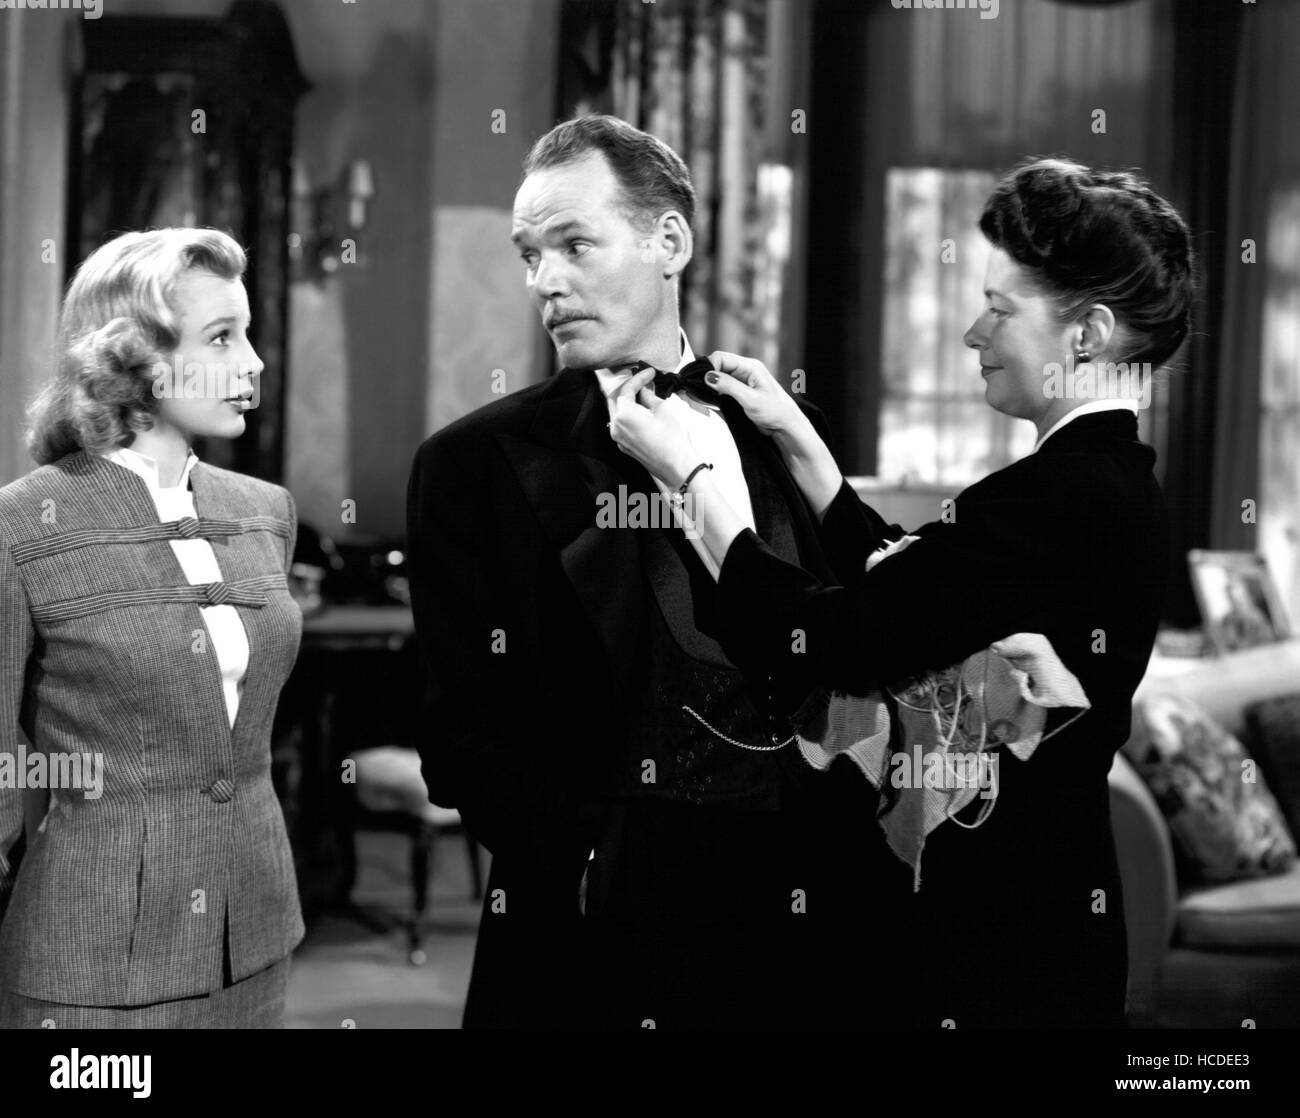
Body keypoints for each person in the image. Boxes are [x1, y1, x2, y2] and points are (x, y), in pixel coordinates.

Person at [611, 157, 1194, 1028]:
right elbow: (919, 581)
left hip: (999, 942)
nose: (972, 334)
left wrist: (693, 481)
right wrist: (804, 448)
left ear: (1089, 334)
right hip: (1028, 917)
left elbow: (843, 635)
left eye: (1000, 310)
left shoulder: (1063, 496)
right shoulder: (1098, 483)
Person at [406, 114, 901, 1028]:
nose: (544, 282)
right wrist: (596, 860)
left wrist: (841, 815)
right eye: (529, 255)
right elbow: (461, 736)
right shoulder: (471, 464)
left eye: (573, 245)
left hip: (806, 916)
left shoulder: (776, 425)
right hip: (593, 934)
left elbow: (859, 635)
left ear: (667, 241)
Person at [0, 228, 304, 1027]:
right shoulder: (22, 526)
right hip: (92, 954)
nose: (255, 363)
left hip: (255, 936)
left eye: (248, 333)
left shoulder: (264, 512)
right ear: (133, 357)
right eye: (221, 337)